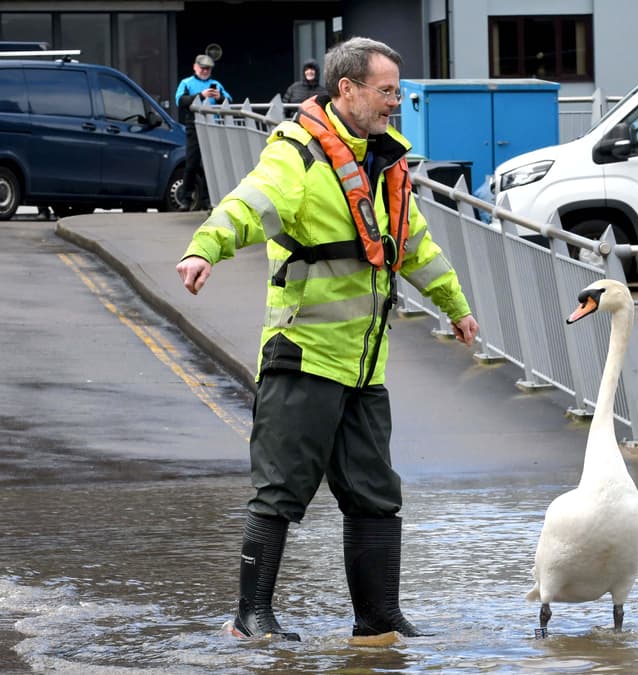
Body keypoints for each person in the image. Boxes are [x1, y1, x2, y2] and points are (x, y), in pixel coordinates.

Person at [175, 36, 479, 642]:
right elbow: (247, 202)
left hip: (364, 366)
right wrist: (204, 248)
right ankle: (250, 616)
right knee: (280, 489)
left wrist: (456, 307)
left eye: (398, 90)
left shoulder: (385, 163)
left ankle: (377, 618)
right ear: (347, 89)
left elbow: (414, 245)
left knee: (374, 495)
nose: (396, 102)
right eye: (386, 90)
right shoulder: (299, 155)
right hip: (304, 358)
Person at [174, 54, 232, 210]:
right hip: (194, 125)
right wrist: (200, 95)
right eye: (203, 68)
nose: (205, 71)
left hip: (212, 125)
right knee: (192, 163)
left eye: (208, 69)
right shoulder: (186, 83)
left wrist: (219, 97)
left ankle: (208, 200)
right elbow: (180, 100)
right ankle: (186, 199)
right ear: (195, 67)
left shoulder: (216, 84)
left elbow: (229, 101)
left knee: (211, 164)